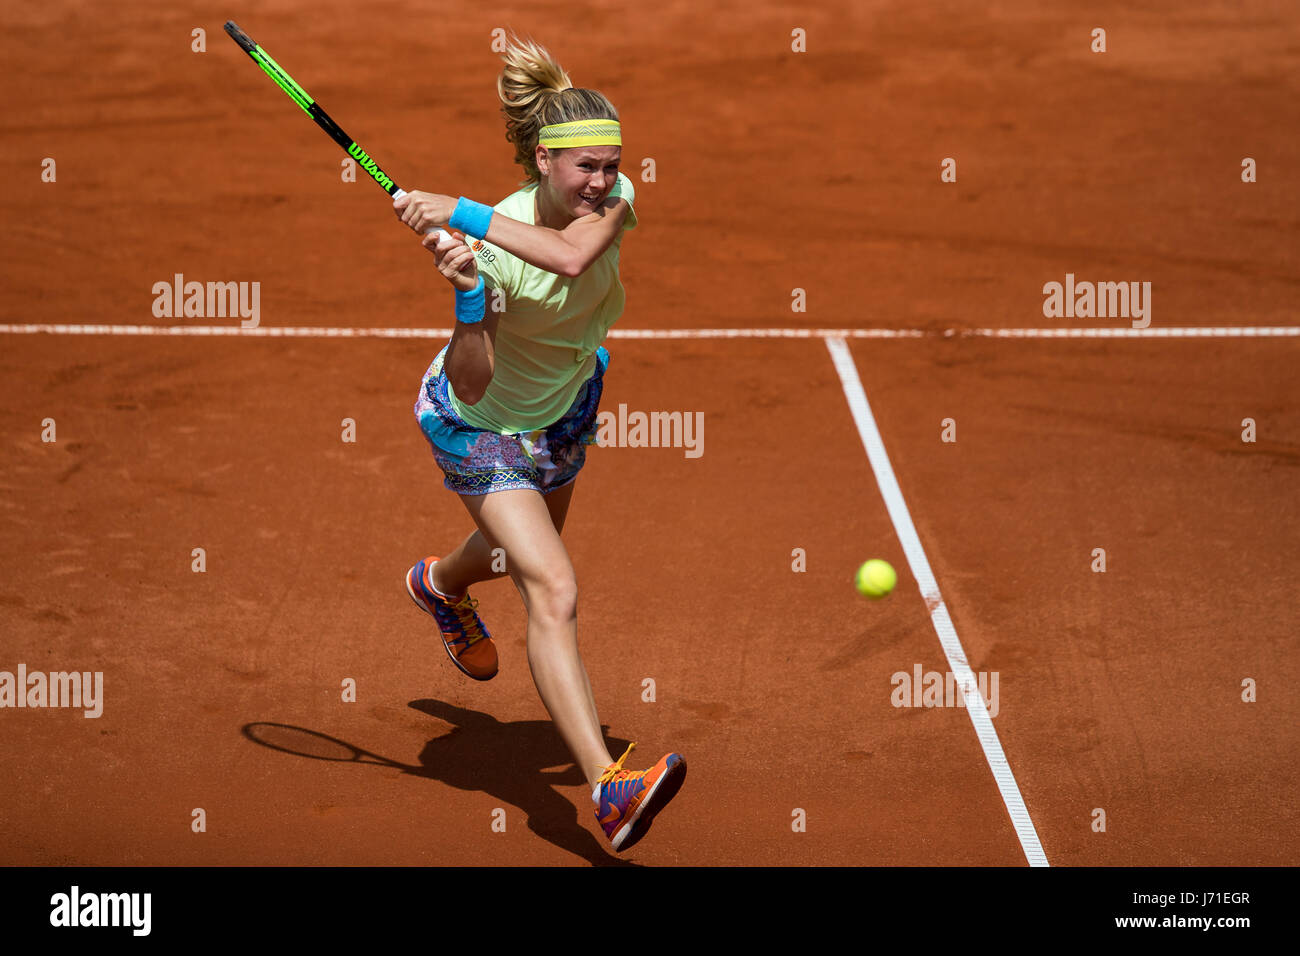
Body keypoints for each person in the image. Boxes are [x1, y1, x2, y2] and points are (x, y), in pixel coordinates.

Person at [392, 34, 684, 853]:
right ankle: (609, 789)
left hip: (564, 401)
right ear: (542, 164)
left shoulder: (612, 200)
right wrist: (468, 293)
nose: (602, 180)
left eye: (610, 163)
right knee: (550, 585)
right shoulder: (491, 247)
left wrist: (455, 208)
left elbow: (567, 258)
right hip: (478, 425)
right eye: (584, 167)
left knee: (528, 547)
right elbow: (476, 382)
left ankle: (441, 586)